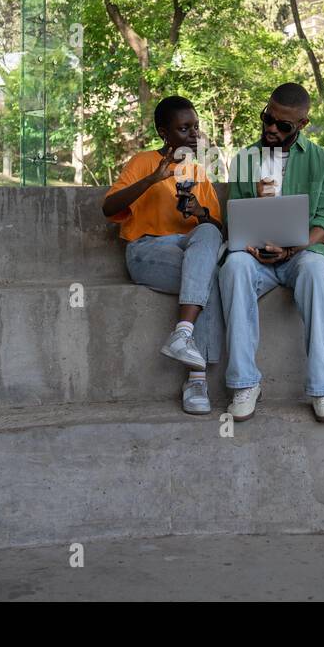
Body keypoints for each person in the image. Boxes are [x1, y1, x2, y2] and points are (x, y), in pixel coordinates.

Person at [219, 82, 324, 423]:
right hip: (255, 257)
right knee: (233, 267)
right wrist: (257, 206)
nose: (271, 128)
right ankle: (245, 384)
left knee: (318, 271)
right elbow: (236, 220)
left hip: (300, 256)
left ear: (302, 125)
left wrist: (292, 247)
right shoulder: (245, 159)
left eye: (283, 125)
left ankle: (323, 387)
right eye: (267, 118)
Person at [102, 96, 225, 414]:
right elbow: (108, 208)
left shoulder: (198, 171)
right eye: (184, 129)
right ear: (163, 133)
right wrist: (153, 180)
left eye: (196, 127)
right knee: (209, 277)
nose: (193, 135)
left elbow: (215, 231)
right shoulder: (142, 162)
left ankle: (182, 336)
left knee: (208, 244)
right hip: (147, 252)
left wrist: (200, 213)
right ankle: (197, 379)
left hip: (189, 251)